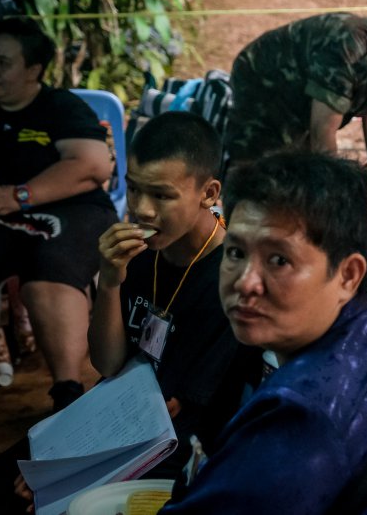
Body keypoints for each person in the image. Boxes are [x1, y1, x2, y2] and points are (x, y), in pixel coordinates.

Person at [161, 152, 367, 514]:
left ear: (348, 275)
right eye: (236, 252)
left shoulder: (303, 415)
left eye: (279, 260)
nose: (245, 282)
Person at [88, 112, 260, 478]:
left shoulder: (231, 280)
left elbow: (172, 406)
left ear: (209, 194)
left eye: (162, 195)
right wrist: (108, 283)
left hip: (179, 444)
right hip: (121, 414)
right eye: (133, 188)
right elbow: (107, 365)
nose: (142, 209)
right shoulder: (135, 255)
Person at [0, 18, 118, 411]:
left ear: (33, 70)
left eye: (2, 62)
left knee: (48, 269)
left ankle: (67, 392)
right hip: (0, 214)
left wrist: (22, 195)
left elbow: (94, 164)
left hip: (74, 212)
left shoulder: (61, 107)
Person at [224, 12, 367, 169]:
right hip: (266, 81)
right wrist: (337, 184)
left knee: (303, 164)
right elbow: (323, 130)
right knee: (265, 166)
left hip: (304, 94)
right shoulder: (349, 46)